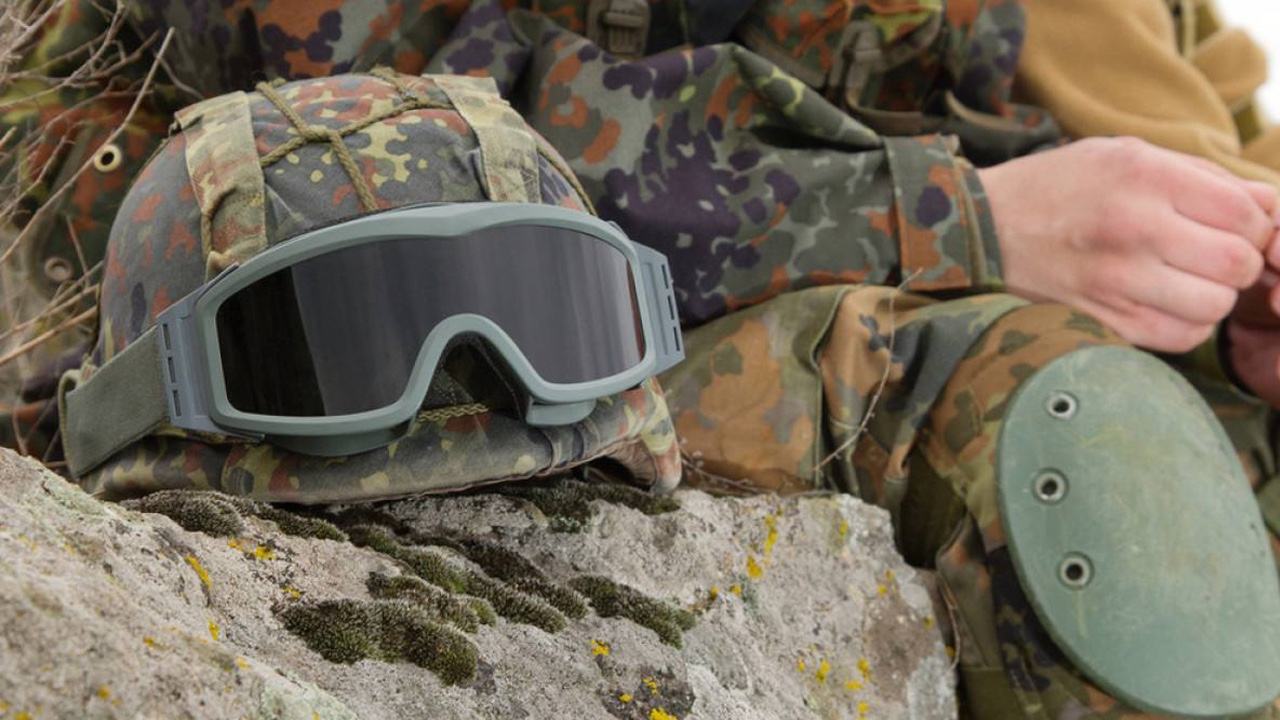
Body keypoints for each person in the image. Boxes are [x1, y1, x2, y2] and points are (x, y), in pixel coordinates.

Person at [4, 0, 1280, 716]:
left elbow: (1190, 112)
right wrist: (956, 215)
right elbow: (407, 146)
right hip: (342, 320)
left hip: (675, 284)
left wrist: (1236, 279)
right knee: (1082, 455)